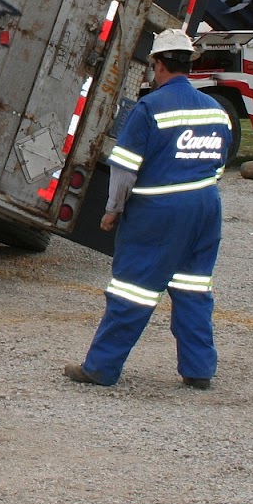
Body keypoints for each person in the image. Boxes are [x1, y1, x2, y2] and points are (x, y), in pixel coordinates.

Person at [65, 29, 233, 389]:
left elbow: (124, 168)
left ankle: (101, 368)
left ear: (157, 65)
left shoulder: (149, 108)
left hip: (160, 210)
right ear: (188, 63)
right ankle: (199, 370)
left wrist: (112, 210)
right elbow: (220, 164)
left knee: (132, 290)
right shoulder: (216, 110)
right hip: (206, 207)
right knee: (193, 289)